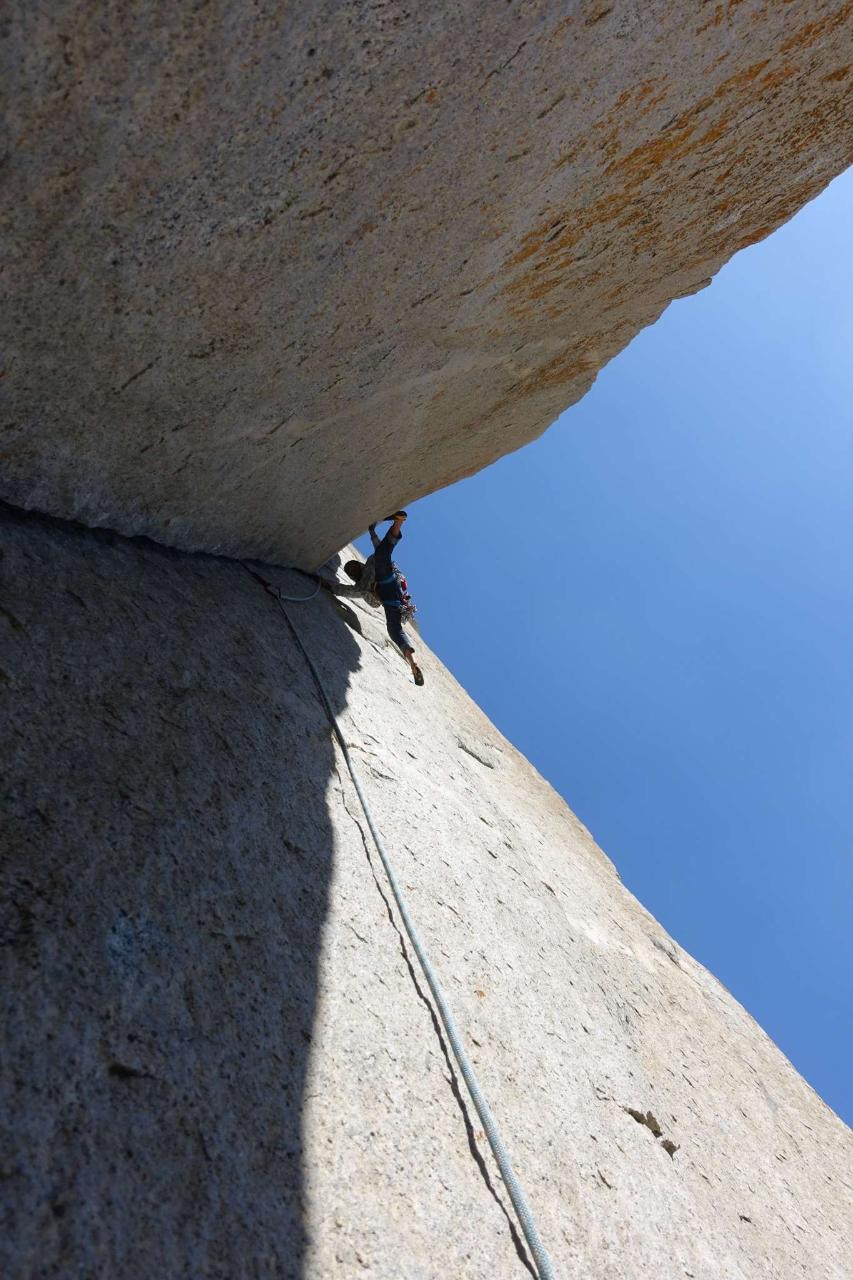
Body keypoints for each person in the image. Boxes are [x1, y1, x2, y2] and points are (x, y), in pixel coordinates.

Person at [322, 511, 424, 686]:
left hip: (388, 591)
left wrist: (323, 583)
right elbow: (380, 549)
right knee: (394, 631)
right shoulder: (366, 574)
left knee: (395, 630)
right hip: (391, 591)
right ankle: (413, 662)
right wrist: (372, 533)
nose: (354, 571)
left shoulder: (361, 587)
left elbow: (342, 590)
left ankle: (399, 521)